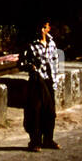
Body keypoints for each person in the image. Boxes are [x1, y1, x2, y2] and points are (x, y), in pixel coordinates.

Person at [19, 17, 60, 151]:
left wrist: (55, 79)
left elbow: (56, 61)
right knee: (35, 112)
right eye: (40, 28)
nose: (42, 30)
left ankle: (48, 139)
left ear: (48, 28)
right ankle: (35, 141)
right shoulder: (30, 45)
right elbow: (20, 63)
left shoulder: (52, 43)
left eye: (45, 27)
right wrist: (30, 66)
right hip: (37, 81)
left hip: (49, 80)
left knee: (50, 112)